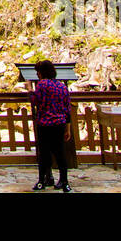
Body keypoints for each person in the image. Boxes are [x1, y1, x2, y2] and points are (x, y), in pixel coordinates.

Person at [29, 60, 72, 192]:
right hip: (60, 123)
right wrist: (68, 128)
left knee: (44, 153)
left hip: (45, 124)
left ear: (41, 73)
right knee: (60, 153)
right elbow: (67, 108)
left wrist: (30, 90)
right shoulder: (62, 87)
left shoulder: (42, 85)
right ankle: (64, 180)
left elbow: (36, 100)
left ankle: (42, 180)